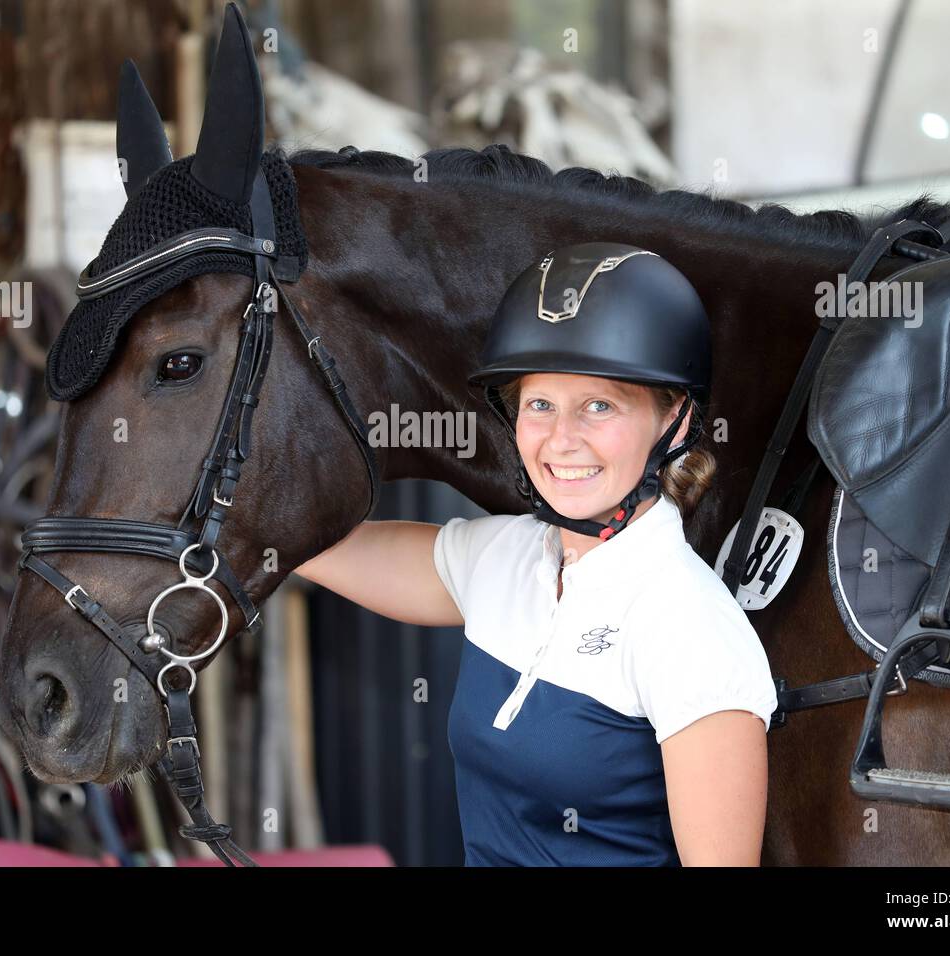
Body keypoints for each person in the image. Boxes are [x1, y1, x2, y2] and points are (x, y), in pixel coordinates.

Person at [294, 242, 778, 866]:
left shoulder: (692, 628)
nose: (561, 439)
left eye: (599, 406)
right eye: (539, 405)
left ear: (675, 421)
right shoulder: (503, 556)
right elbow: (309, 546)